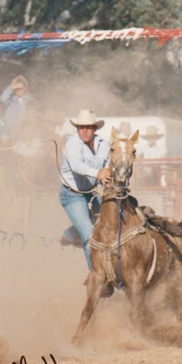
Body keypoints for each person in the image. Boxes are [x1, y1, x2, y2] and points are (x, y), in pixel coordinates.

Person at [59, 109, 111, 270]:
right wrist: (98, 173)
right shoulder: (73, 144)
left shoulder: (103, 144)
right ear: (77, 128)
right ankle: (97, 278)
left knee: (109, 222)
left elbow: (107, 165)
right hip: (72, 194)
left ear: (94, 128)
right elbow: (76, 166)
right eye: (81, 127)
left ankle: (71, 233)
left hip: (92, 192)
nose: (84, 130)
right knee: (90, 235)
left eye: (88, 127)